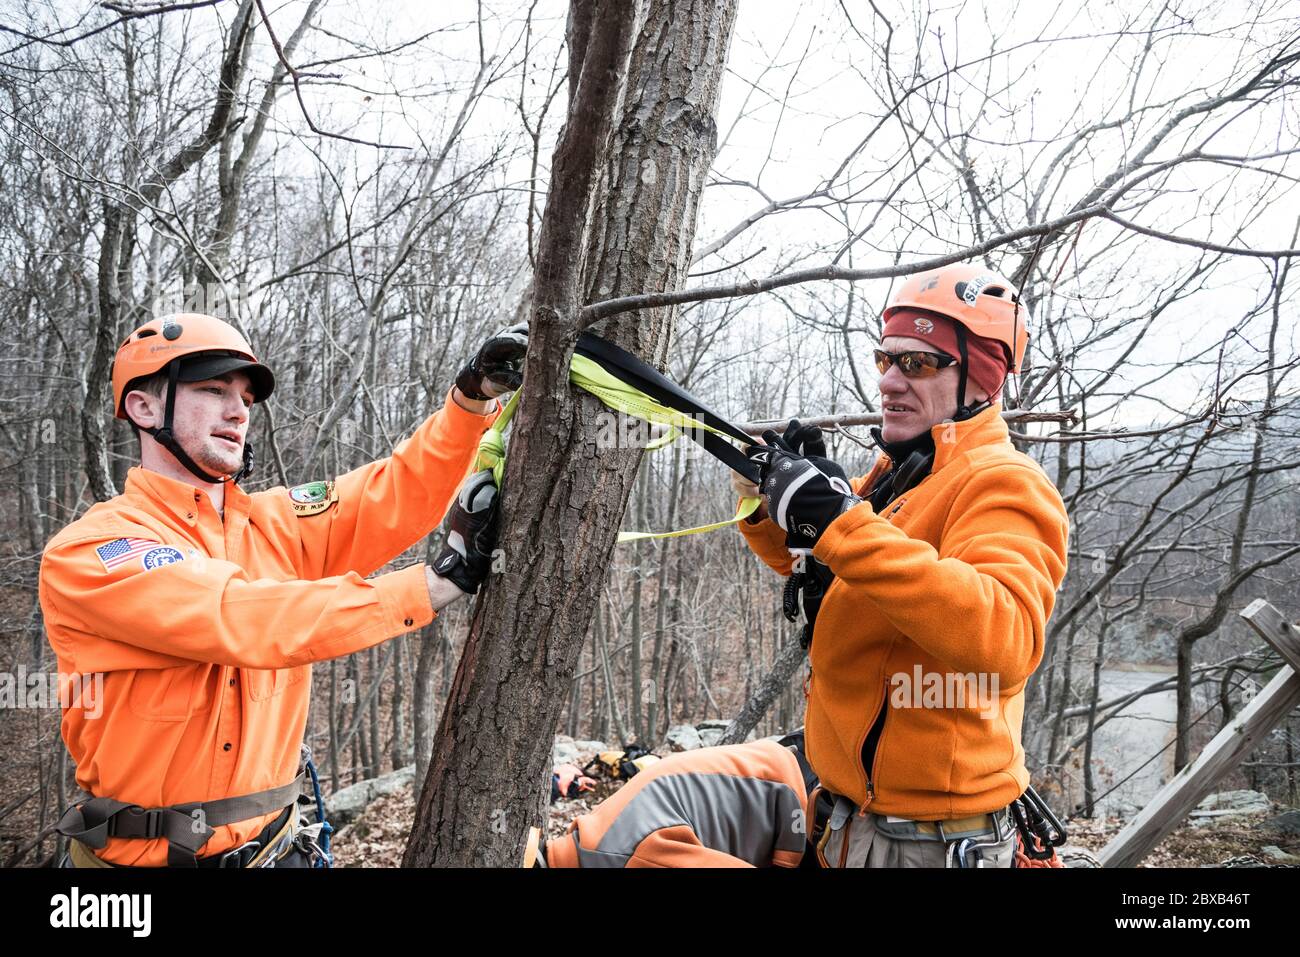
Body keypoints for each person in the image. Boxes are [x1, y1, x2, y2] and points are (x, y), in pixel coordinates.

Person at [40, 312, 526, 867]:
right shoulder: (90, 552)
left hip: (278, 848)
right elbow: (237, 615)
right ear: (143, 407)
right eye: (212, 389)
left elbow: (397, 492)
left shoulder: (275, 524)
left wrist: (470, 401)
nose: (237, 410)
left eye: (245, 397)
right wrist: (433, 584)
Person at [730, 263, 1070, 867]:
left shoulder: (1004, 483)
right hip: (845, 817)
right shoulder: (903, 473)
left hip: (928, 841)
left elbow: (1005, 637)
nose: (889, 381)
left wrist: (837, 520)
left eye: (917, 363)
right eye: (885, 359)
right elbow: (823, 569)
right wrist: (771, 503)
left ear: (981, 376)